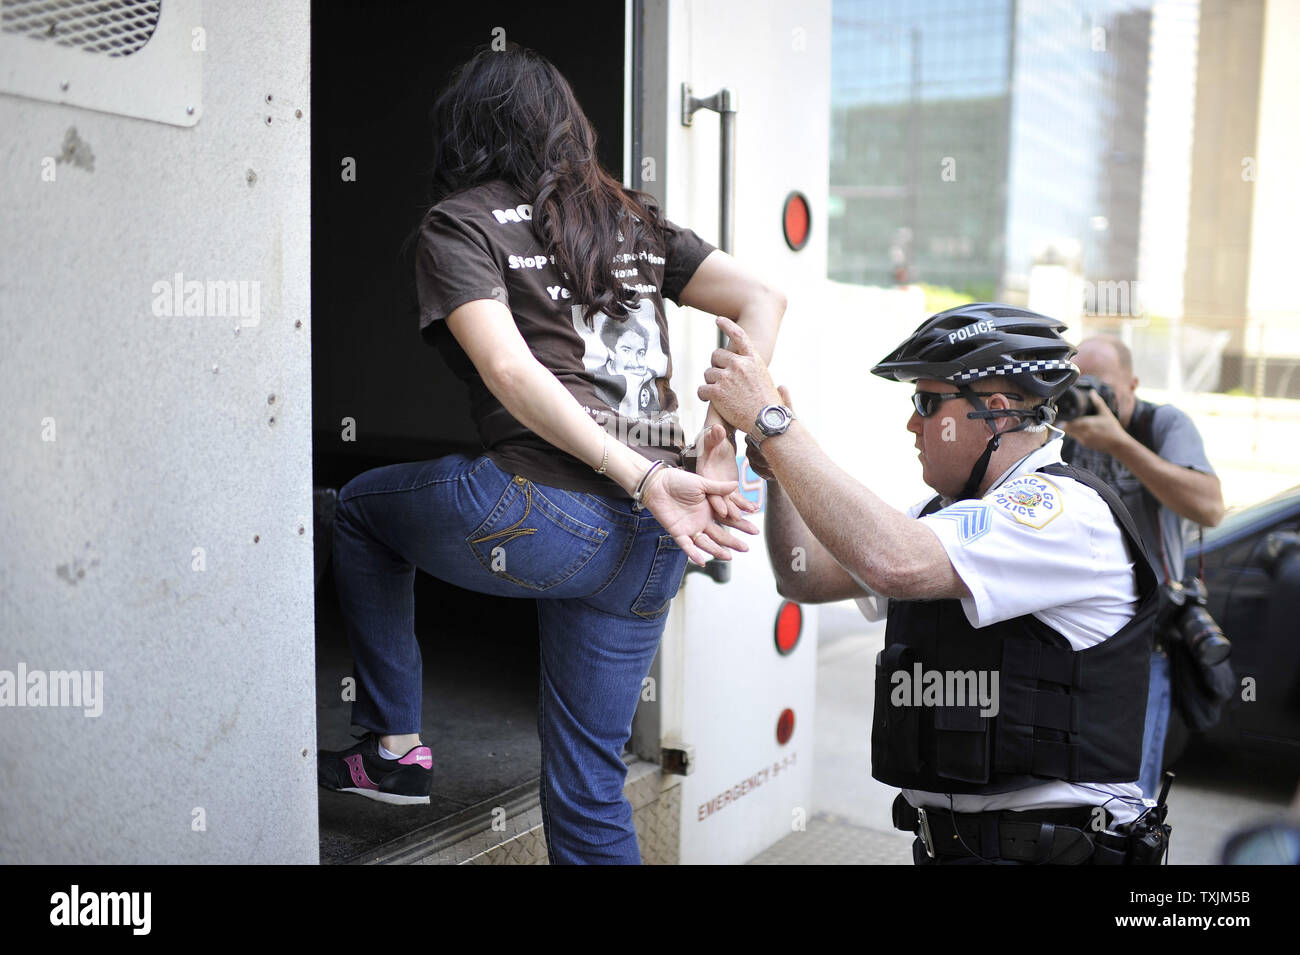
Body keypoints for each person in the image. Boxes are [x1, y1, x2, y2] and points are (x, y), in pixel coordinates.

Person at [317, 44, 785, 865]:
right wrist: (721, 434)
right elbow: (762, 297)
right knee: (589, 783)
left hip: (551, 507)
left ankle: (392, 751)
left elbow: (508, 368)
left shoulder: (459, 221)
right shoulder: (631, 217)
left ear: (466, 133)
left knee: (357, 509)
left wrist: (653, 468)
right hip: (656, 534)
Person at [698, 303, 1166, 865]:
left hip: (1056, 851)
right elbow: (805, 575)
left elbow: (892, 561)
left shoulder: (1062, 511)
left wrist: (776, 424)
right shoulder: (946, 514)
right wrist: (778, 470)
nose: (913, 424)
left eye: (926, 402)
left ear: (994, 411)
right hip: (954, 848)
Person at [1060, 336, 1224, 799]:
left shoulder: (1161, 424)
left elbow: (1210, 507)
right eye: (1079, 385)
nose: (1090, 398)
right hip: (1078, 637)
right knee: (1071, 786)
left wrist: (1118, 443)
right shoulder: (1063, 427)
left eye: (1102, 388)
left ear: (1132, 383)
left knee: (1126, 792)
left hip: (1144, 645)